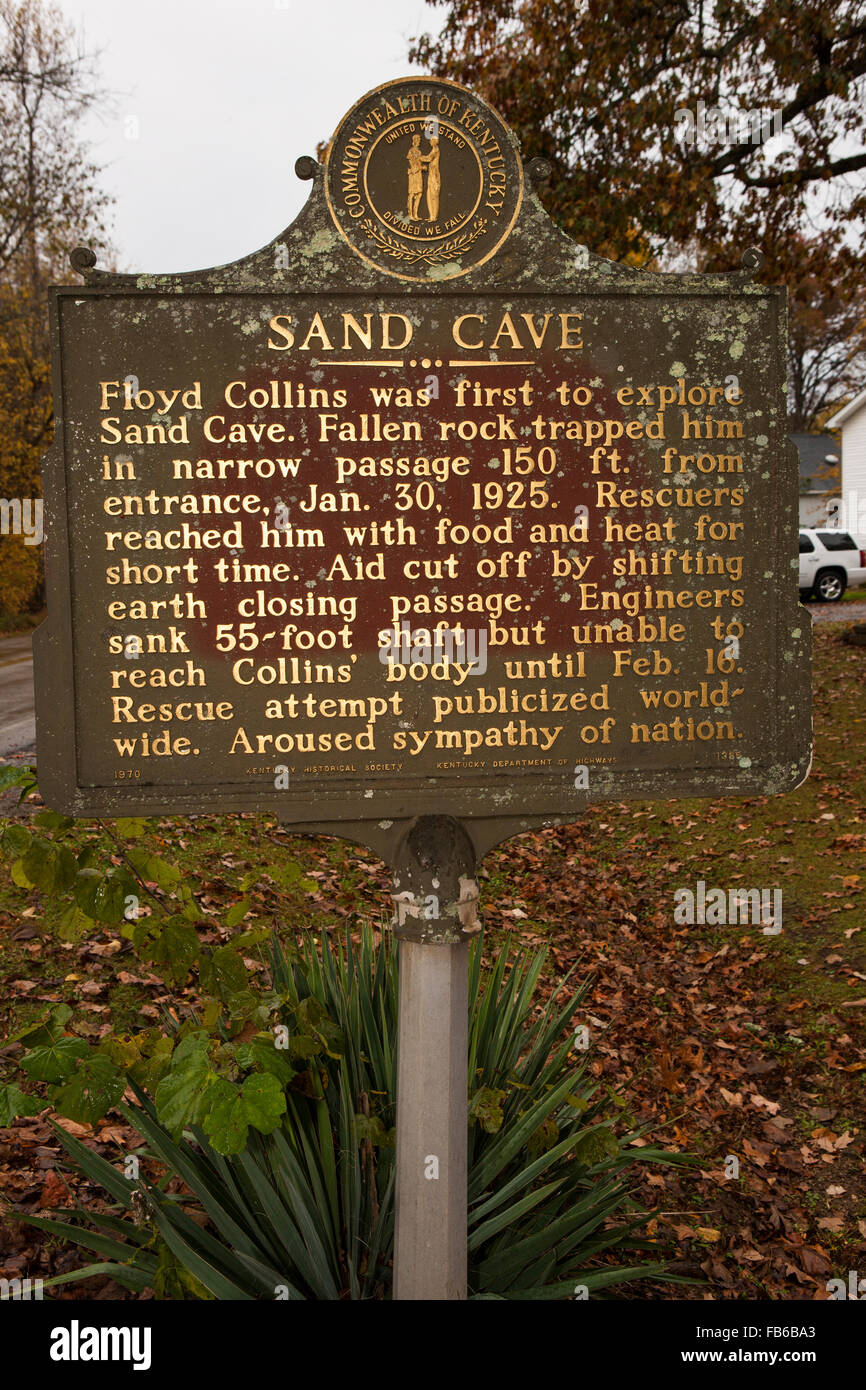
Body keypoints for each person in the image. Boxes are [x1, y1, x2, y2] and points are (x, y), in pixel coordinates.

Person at [407, 134, 424, 219]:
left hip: (419, 174)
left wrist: (421, 167)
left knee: (419, 194)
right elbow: (411, 164)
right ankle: (410, 215)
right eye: (418, 140)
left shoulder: (419, 152)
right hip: (413, 174)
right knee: (412, 194)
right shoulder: (411, 151)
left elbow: (420, 162)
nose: (419, 141)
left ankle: (415, 214)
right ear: (415, 140)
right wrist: (420, 167)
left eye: (419, 140)